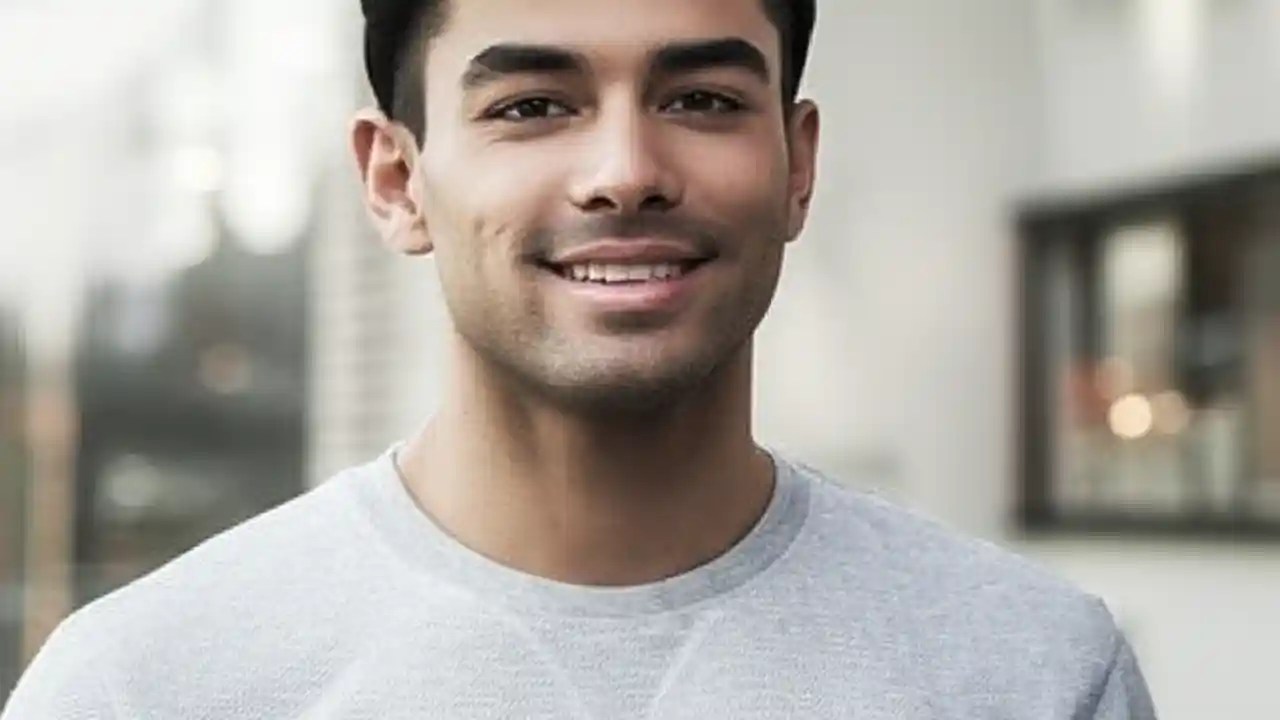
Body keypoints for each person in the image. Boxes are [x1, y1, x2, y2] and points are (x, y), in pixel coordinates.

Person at [4, 0, 1158, 717]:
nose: (624, 168)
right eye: (531, 105)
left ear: (797, 166)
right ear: (396, 181)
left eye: (700, 97)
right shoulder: (146, 687)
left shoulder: (1030, 674)